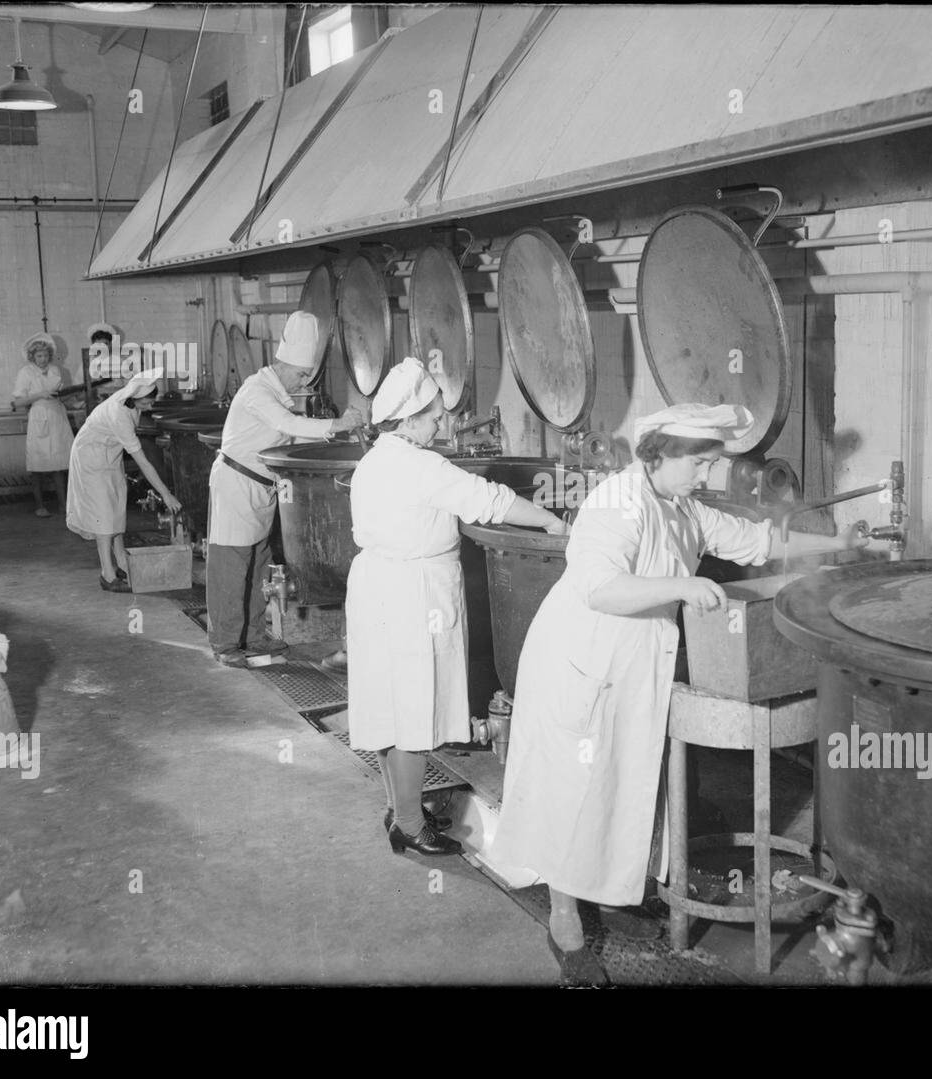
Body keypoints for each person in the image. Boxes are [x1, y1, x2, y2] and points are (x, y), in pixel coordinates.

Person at [490, 403, 864, 984]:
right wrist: (684, 585)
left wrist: (841, 542)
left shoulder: (681, 504)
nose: (708, 476)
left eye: (712, 463)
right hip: (586, 658)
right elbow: (599, 588)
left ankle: (611, 897)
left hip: (638, 662)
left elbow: (756, 540)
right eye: (701, 463)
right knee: (578, 789)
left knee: (625, 783)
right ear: (659, 453)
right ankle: (565, 919)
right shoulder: (617, 501)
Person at [347, 356, 567, 857]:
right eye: (432, 417)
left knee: (391, 708)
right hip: (413, 595)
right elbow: (492, 501)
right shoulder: (422, 466)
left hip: (377, 589)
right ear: (408, 420)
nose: (441, 424)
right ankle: (407, 824)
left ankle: (400, 806)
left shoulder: (376, 458)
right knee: (415, 714)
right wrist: (552, 524)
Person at [206, 312, 367, 668]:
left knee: (258, 564)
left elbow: (290, 436)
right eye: (298, 373)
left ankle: (254, 636)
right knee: (232, 566)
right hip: (236, 485)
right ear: (281, 364)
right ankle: (226, 644)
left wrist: (334, 436)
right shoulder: (257, 391)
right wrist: (339, 424)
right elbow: (287, 424)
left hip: (261, 487)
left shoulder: (277, 392)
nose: (301, 380)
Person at [65, 367, 181, 592]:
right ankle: (107, 575)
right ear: (134, 399)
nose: (150, 407)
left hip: (109, 455)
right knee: (104, 515)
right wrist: (165, 494)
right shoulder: (119, 414)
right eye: (146, 403)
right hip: (91, 458)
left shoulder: (129, 402)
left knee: (116, 508)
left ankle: (121, 563)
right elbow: (143, 462)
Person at [11, 333, 73, 518]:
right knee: (37, 466)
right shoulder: (25, 372)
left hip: (57, 417)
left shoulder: (55, 370)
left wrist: (71, 396)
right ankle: (40, 506)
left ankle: (64, 506)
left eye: (46, 355)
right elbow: (18, 402)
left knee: (59, 466)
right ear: (32, 356)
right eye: (39, 356)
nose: (43, 359)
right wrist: (40, 394)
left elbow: (59, 393)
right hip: (39, 417)